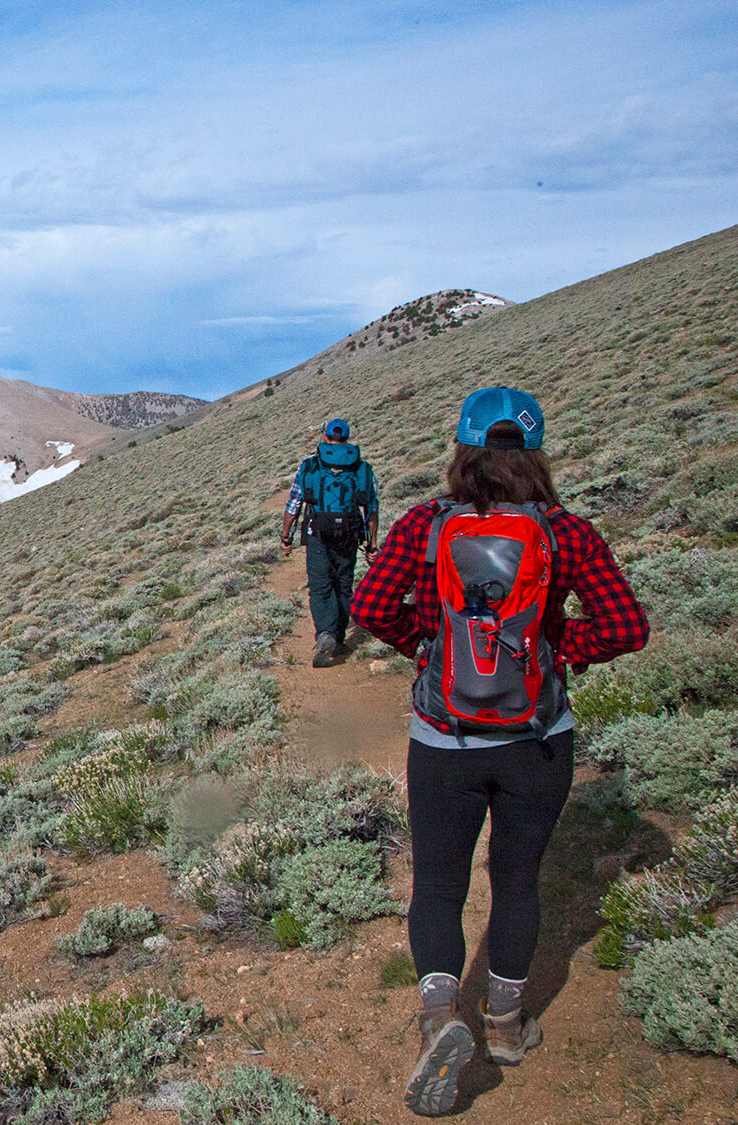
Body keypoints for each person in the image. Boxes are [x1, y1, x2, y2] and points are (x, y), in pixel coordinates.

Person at [349, 388, 648, 1117]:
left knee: (440, 885)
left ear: (463, 449)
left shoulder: (425, 524)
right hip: (536, 742)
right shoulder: (565, 531)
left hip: (444, 738)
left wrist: (428, 648)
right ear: (535, 453)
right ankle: (508, 1026)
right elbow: (625, 626)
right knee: (517, 880)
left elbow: (368, 608)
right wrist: (554, 650)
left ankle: (439, 1015)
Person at [281, 418, 379, 667]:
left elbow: (294, 504)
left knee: (320, 585)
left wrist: (286, 536)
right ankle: (339, 635)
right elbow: (371, 508)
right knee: (343, 583)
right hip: (349, 532)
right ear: (347, 439)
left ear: (325, 438)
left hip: (317, 532)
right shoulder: (361, 468)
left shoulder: (310, 465)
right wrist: (371, 545)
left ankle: (325, 633)